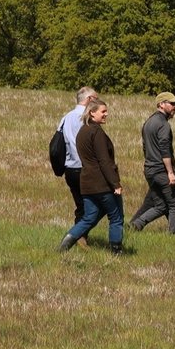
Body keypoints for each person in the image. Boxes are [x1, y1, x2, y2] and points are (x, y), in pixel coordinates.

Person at [57, 97, 126, 253]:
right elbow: (104, 161)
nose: (106, 114)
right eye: (103, 111)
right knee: (116, 217)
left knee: (89, 217)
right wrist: (115, 184)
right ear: (92, 113)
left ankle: (63, 247)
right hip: (102, 184)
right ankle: (117, 251)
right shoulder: (97, 132)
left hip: (86, 183)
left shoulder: (83, 131)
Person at [130, 92, 175, 233]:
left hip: (150, 170)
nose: (174, 107)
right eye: (171, 104)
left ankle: (136, 225)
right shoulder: (163, 125)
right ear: (161, 104)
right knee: (174, 203)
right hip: (162, 171)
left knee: (161, 205)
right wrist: (170, 173)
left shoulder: (149, 122)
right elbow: (165, 150)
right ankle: (174, 234)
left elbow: (145, 147)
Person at [55, 86, 98, 225]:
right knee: (96, 207)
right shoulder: (87, 118)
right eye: (96, 100)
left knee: (81, 206)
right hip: (86, 168)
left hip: (70, 169)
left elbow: (57, 144)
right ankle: (77, 237)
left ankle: (78, 238)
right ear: (89, 99)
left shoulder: (66, 117)